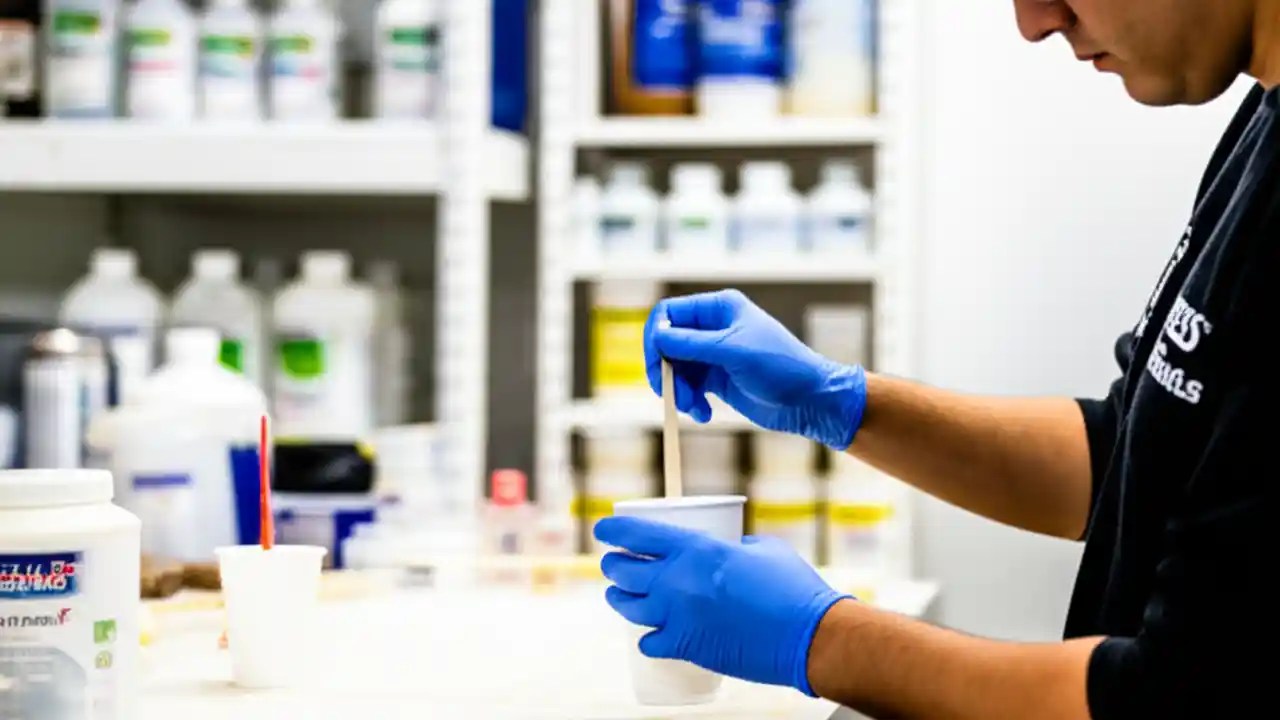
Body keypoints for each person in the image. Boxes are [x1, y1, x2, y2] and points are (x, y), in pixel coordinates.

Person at [592, 1, 1276, 718]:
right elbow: (1131, 462)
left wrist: (818, 639)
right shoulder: (1259, 123)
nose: (1035, 21)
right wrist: (837, 401)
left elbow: (1170, 696)